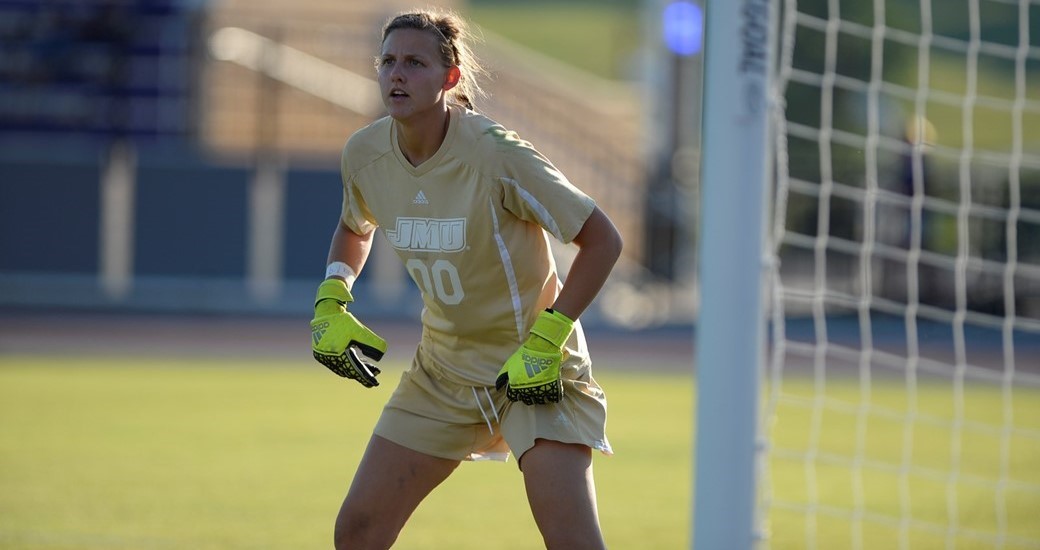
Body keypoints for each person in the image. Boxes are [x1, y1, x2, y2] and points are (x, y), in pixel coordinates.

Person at [309, 9, 623, 549]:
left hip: (532, 372)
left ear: (450, 77)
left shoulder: (496, 154)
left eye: (414, 62)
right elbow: (353, 225)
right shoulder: (364, 154)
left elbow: (602, 240)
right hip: (443, 372)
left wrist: (548, 339)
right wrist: (333, 297)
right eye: (387, 61)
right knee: (357, 532)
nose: (396, 74)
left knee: (573, 542)